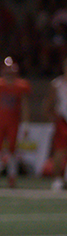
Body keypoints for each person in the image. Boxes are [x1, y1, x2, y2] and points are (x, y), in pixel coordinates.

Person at [0, 56, 31, 188]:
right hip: (1, 122)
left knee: (12, 151)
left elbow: (24, 106)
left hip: (13, 123)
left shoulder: (20, 86)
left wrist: (26, 123)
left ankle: (12, 178)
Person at [45, 56, 67, 190]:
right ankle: (57, 178)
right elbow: (48, 105)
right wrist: (55, 119)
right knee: (60, 150)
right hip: (63, 120)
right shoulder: (57, 84)